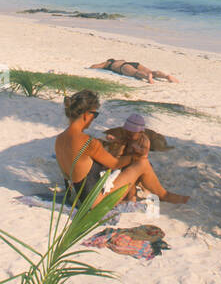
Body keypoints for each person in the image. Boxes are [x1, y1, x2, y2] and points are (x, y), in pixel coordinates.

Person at [54, 90, 187, 205]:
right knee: (142, 163)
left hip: (74, 199)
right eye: (95, 114)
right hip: (93, 203)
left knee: (133, 164)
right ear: (86, 115)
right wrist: (134, 157)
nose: (94, 119)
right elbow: (115, 164)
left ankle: (145, 193)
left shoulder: (59, 139)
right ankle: (164, 195)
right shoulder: (88, 142)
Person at [89, 58, 179, 84]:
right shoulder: (120, 60)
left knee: (135, 73)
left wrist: (104, 65)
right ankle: (167, 76)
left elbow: (93, 67)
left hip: (123, 67)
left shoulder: (109, 63)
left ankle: (147, 78)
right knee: (151, 72)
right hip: (133, 63)